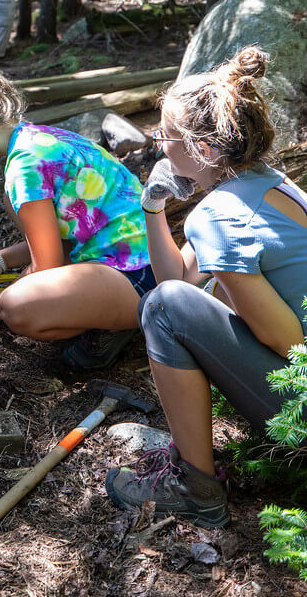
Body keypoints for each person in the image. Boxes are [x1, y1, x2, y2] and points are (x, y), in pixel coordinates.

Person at [104, 46, 307, 529]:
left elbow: (290, 344)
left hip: (300, 403)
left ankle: (196, 488)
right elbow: (179, 278)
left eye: (166, 134)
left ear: (206, 150)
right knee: (171, 301)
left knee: (162, 308)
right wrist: (153, 208)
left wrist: (220, 307)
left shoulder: (218, 215)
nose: (158, 142)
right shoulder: (271, 183)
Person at [0, 55, 155, 367]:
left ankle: (114, 326)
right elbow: (61, 240)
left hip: (137, 278)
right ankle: (106, 313)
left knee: (16, 308)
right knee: (13, 205)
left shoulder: (24, 168)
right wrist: (3, 258)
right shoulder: (34, 138)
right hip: (140, 262)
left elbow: (46, 266)